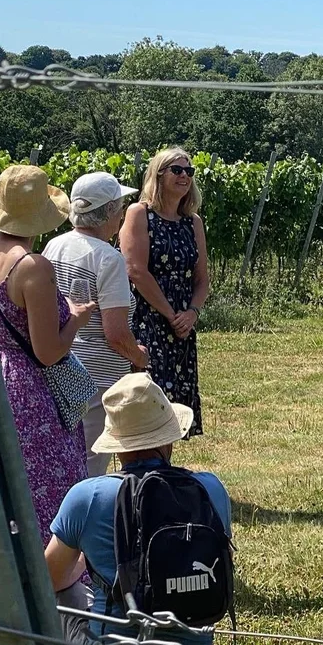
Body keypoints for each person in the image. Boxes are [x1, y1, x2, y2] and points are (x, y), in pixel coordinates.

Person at [45, 372, 232, 645]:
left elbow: (48, 578)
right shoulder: (210, 489)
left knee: (63, 591)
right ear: (168, 436)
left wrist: (90, 562)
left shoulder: (88, 497)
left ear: (116, 443)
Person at [0, 165, 95, 542]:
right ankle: (58, 582)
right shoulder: (33, 267)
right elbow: (47, 352)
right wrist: (76, 318)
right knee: (50, 490)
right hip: (31, 394)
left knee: (2, 487)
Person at [43, 172, 149, 476]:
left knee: (61, 451)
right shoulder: (108, 259)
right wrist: (138, 355)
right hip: (99, 379)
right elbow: (115, 333)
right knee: (90, 460)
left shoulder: (54, 246)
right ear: (107, 213)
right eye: (118, 208)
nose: (120, 217)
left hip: (61, 364)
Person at [120, 148, 209, 437]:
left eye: (189, 171)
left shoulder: (193, 222)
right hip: (148, 322)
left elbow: (202, 278)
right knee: (147, 405)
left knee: (175, 413)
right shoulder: (140, 213)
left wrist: (191, 314)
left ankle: (165, 472)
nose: (185, 176)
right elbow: (135, 270)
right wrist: (171, 315)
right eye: (177, 170)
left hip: (182, 326)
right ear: (159, 174)